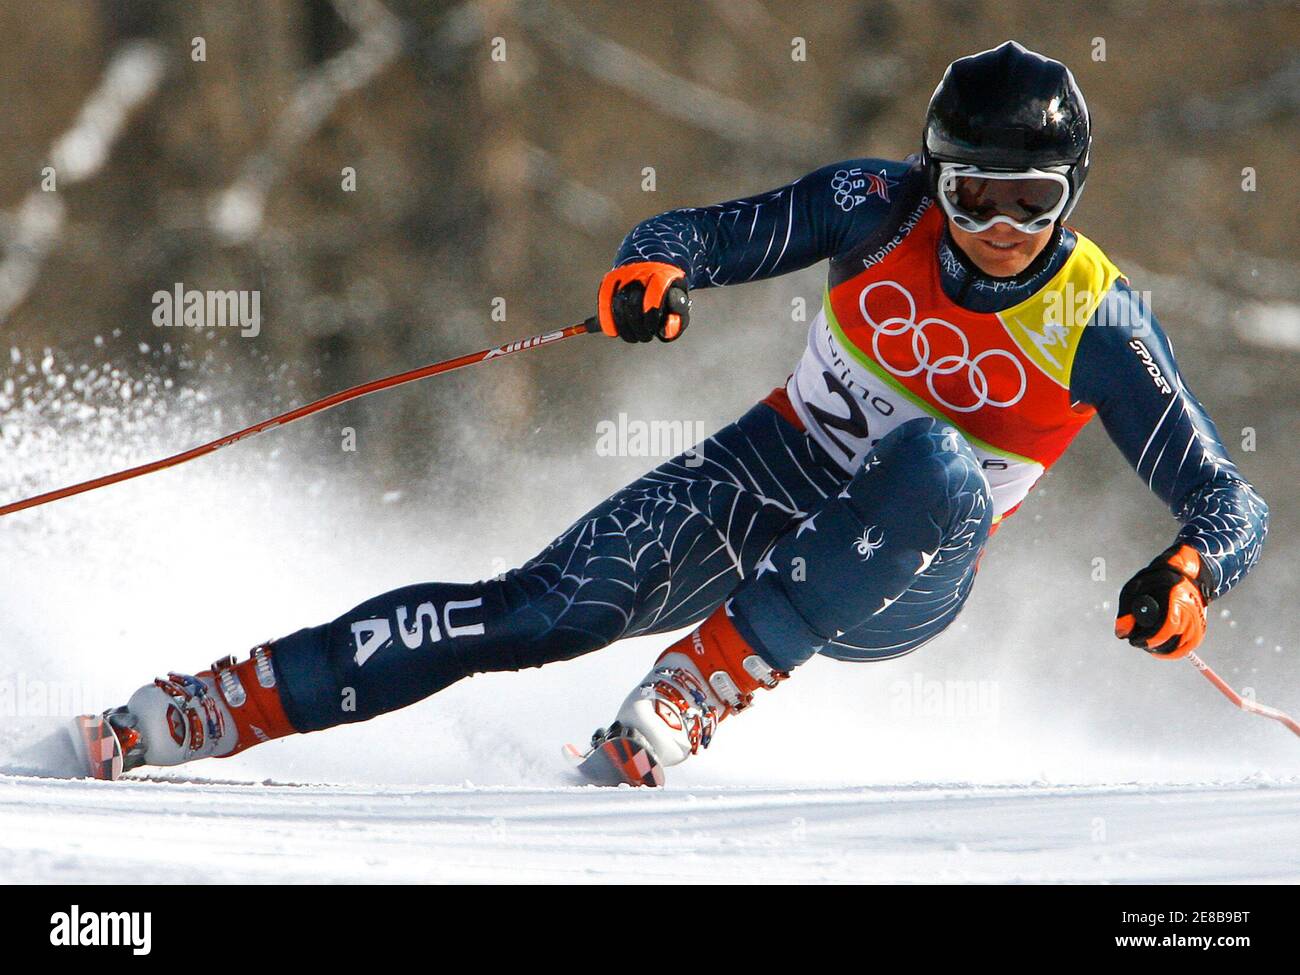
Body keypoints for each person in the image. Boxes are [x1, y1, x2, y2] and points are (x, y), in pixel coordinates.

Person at [101, 41, 1267, 786]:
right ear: (934, 176)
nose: (1001, 228)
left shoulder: (1098, 322)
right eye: (975, 195)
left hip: (899, 571)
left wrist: (1188, 572)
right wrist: (650, 272)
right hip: (768, 474)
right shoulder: (872, 207)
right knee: (534, 608)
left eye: (1033, 201)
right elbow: (700, 233)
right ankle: (220, 703)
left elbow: (1226, 498)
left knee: (935, 459)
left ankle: (703, 681)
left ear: (1073, 196)